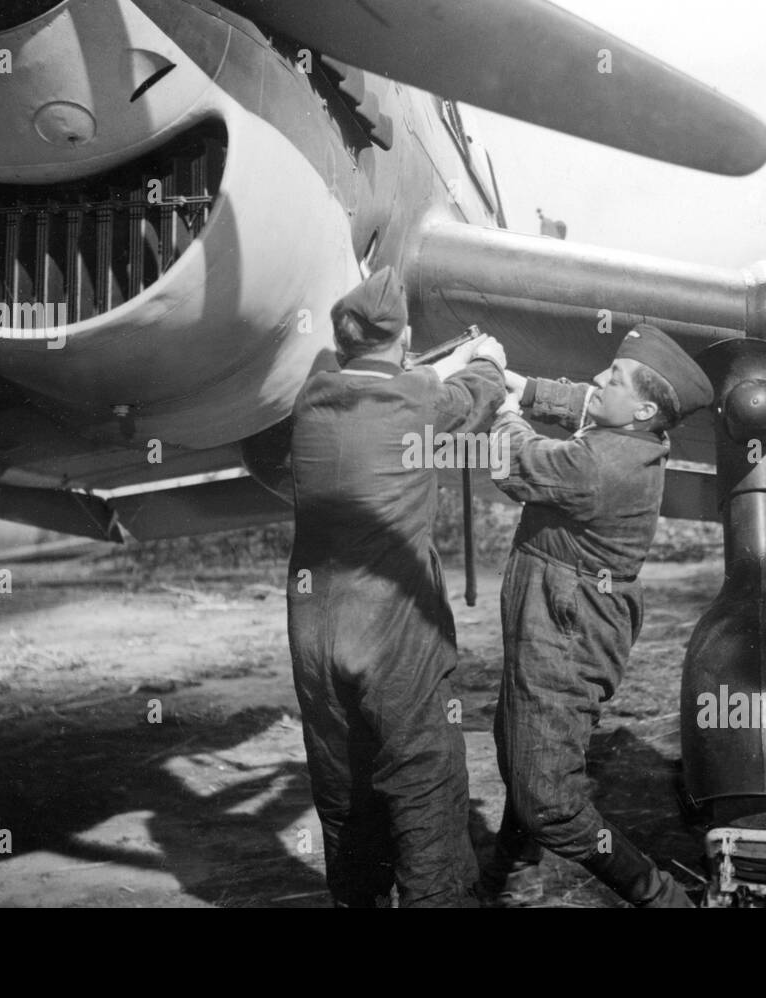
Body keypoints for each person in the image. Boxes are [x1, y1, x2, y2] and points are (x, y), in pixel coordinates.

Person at [286, 266, 506, 907]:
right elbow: (477, 395)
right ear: (405, 339)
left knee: (344, 788)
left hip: (315, 632)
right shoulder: (420, 401)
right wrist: (485, 358)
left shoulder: (313, 398)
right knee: (425, 789)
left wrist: (432, 358)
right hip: (393, 633)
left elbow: (384, 377)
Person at [483, 323, 714, 907]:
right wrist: (524, 384)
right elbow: (584, 403)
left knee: (551, 802)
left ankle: (659, 896)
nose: (596, 381)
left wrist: (501, 401)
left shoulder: (603, 465)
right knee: (521, 742)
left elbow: (514, 462)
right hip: (559, 605)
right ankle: (509, 874)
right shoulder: (632, 431)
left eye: (612, 378)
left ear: (640, 407)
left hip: (568, 622)